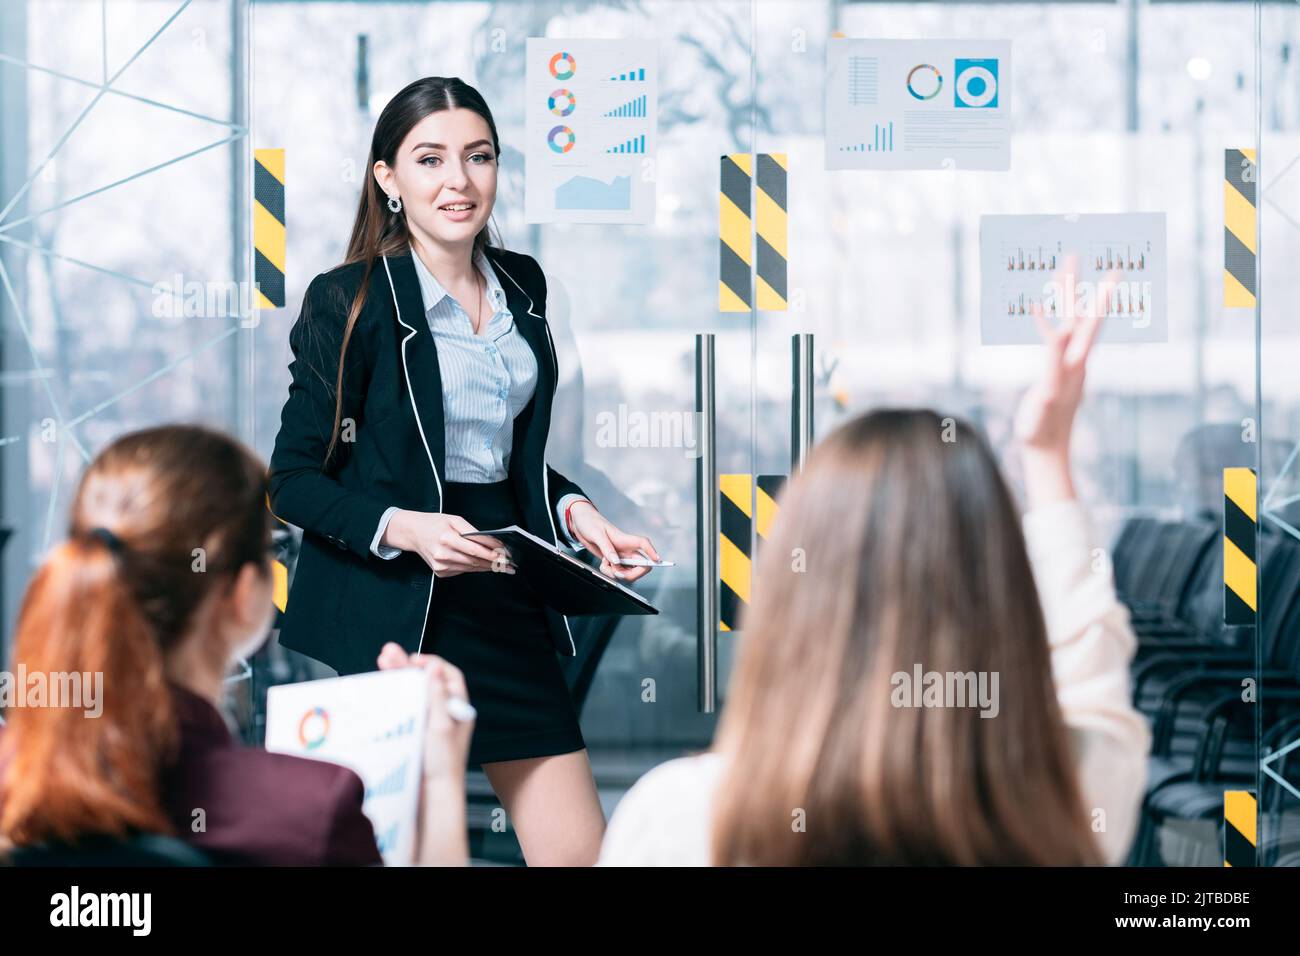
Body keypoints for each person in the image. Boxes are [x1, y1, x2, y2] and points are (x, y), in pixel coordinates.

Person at [598, 269, 1150, 865]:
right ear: (1004, 595)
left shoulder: (687, 819)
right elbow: (1090, 656)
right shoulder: (1064, 805)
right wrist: (1047, 454)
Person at [267, 76, 659, 866]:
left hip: (504, 593)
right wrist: (403, 529)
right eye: (431, 159)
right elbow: (292, 479)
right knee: (402, 852)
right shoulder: (350, 300)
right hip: (392, 617)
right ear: (388, 179)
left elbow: (507, 462)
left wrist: (574, 511)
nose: (459, 181)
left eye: (478, 157)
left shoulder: (524, 285)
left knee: (579, 855)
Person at [0, 424, 471, 866]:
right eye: (273, 549)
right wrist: (441, 777)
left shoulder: (13, 779)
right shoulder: (313, 812)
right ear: (246, 593)